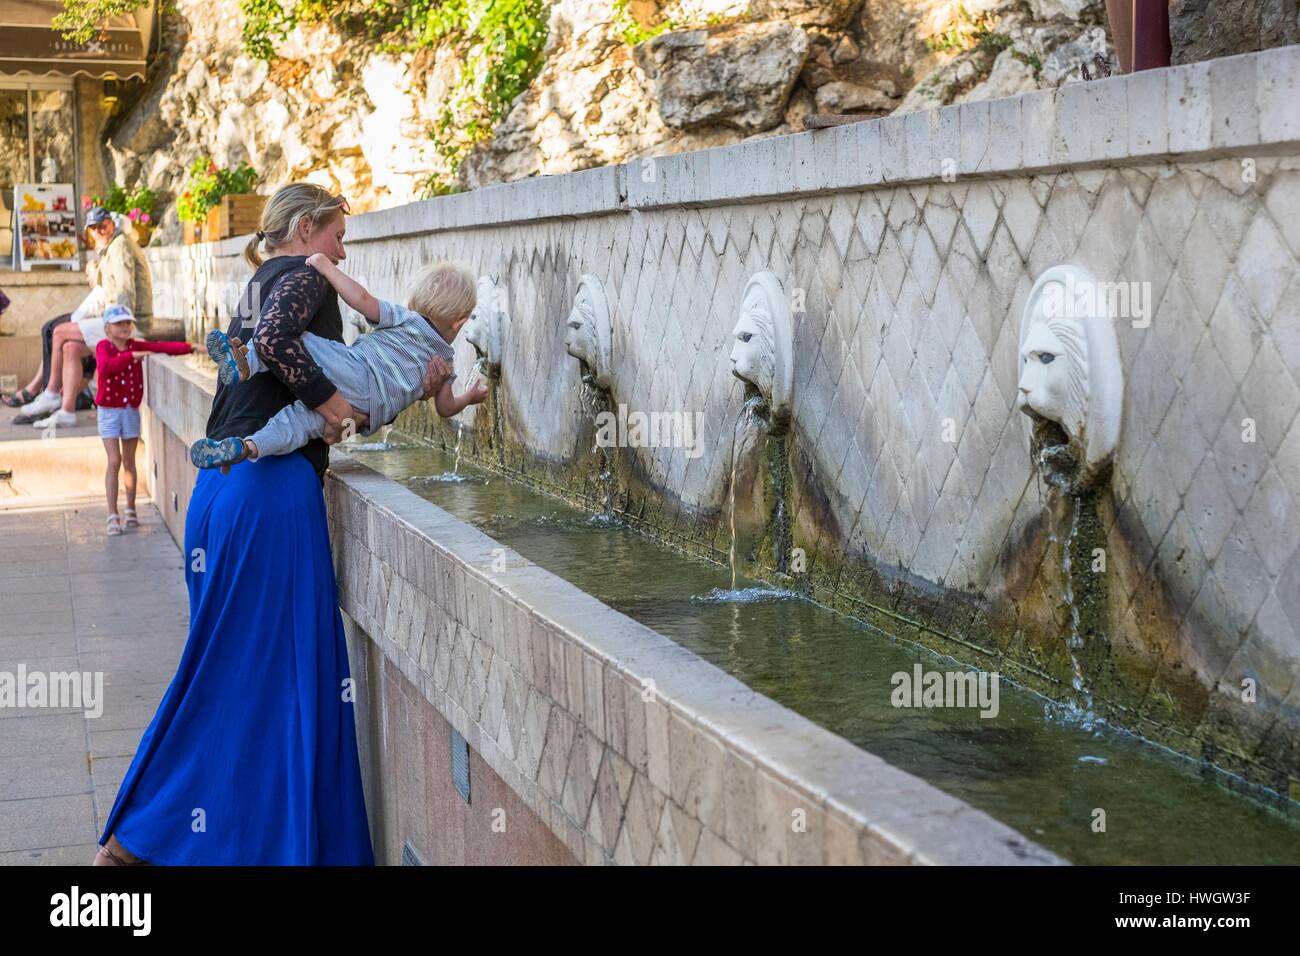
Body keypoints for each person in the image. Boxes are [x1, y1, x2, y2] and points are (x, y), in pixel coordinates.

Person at [94, 183, 449, 866]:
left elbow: (272, 354)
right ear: (309, 228)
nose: (343, 250)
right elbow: (280, 341)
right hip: (270, 501)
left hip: (225, 494)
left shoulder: (260, 280)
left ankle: (181, 841)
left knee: (236, 676)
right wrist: (340, 406)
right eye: (339, 235)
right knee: (259, 680)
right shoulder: (302, 277)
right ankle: (141, 843)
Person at [190, 255, 487, 468]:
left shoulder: (405, 318)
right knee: (299, 425)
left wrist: (326, 267)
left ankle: (246, 363)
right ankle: (248, 447)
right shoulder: (446, 362)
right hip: (369, 411)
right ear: (460, 322)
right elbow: (446, 408)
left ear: (416, 302)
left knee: (297, 343)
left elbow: (361, 299)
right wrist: (470, 396)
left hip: (357, 371)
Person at [10, 207, 153, 428]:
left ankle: (50, 393)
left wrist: (122, 328)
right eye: (94, 229)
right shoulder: (110, 248)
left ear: (111, 225)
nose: (99, 231)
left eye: (102, 226)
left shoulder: (120, 246)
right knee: (70, 348)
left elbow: (126, 290)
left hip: (130, 325)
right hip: (117, 320)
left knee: (59, 331)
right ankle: (67, 410)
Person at [93, 304, 194, 536]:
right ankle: (112, 514)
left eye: (128, 323)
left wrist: (191, 348)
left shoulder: (135, 345)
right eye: (119, 323)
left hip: (129, 410)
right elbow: (106, 367)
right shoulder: (104, 347)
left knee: (129, 460)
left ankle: (130, 509)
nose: (125, 327)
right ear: (108, 328)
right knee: (114, 460)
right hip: (109, 411)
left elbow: (160, 346)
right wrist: (132, 356)